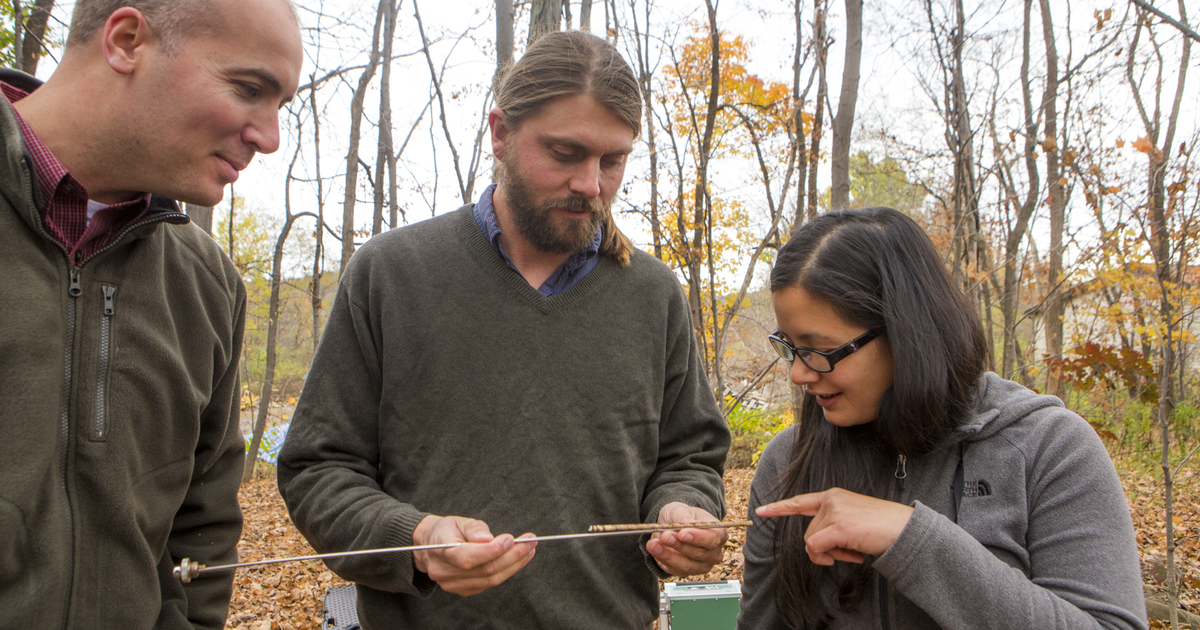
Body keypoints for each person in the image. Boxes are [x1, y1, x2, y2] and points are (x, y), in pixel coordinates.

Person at [277, 31, 730, 629]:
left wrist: (684, 509)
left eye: (612, 160)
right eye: (565, 153)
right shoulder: (392, 273)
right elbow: (318, 469)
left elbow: (689, 456)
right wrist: (415, 538)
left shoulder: (652, 294)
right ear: (500, 134)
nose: (591, 185)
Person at [0, 0, 302, 627]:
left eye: (281, 107)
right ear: (127, 41)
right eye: (249, 89)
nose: (269, 138)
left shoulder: (207, 286)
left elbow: (204, 526)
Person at [737, 207, 1147, 630]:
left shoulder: (1049, 449)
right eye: (789, 346)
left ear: (906, 334)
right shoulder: (787, 461)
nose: (798, 373)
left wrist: (912, 539)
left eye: (819, 349)